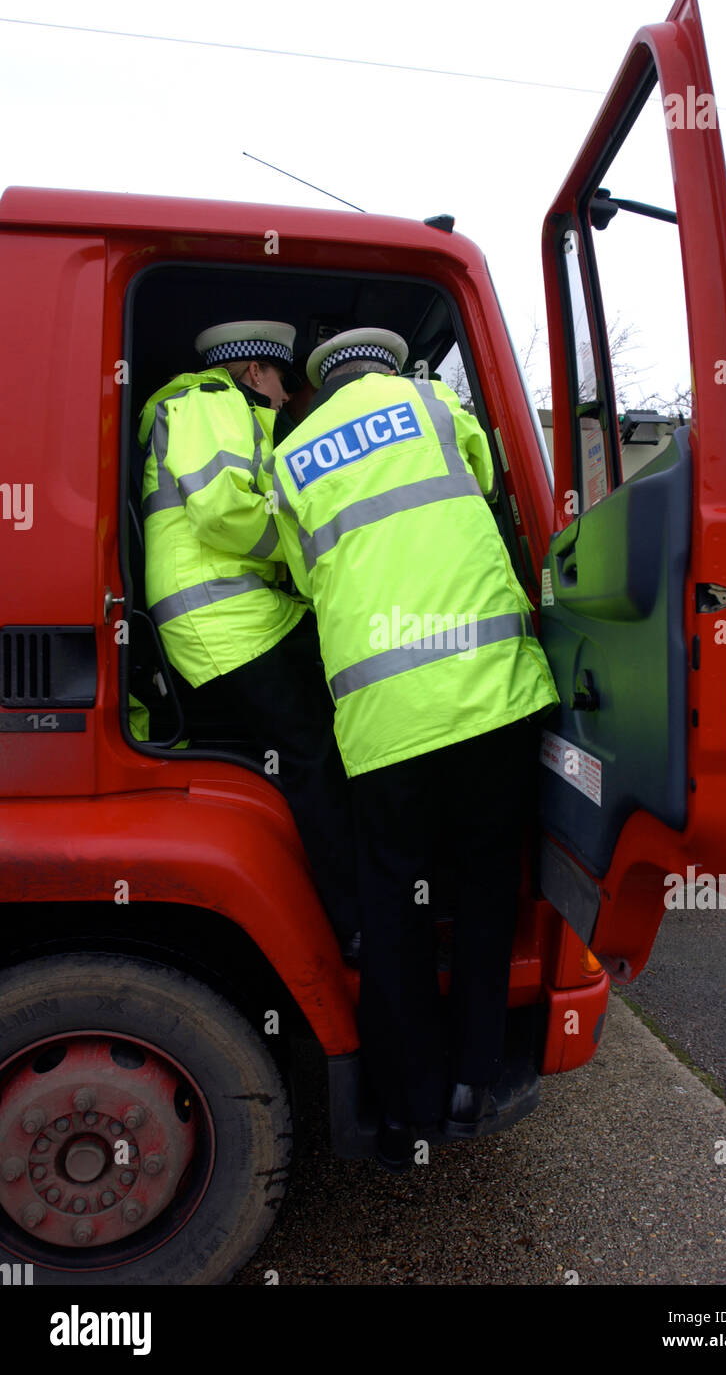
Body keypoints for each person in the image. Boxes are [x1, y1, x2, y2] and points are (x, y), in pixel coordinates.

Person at [260, 327, 559, 1169]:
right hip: (488, 700)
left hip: (383, 722)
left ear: (322, 383)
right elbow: (490, 485)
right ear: (390, 367)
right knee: (486, 895)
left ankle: (404, 1115)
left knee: (396, 918)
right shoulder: (437, 404)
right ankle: (472, 1083)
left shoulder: (290, 456)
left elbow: (300, 573)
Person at [138, 320, 358, 944]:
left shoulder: (217, 410)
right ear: (255, 373)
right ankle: (356, 924)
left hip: (235, 610)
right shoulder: (212, 402)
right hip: (222, 618)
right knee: (318, 753)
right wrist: (310, 553)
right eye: (285, 380)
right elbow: (226, 510)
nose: (290, 396)